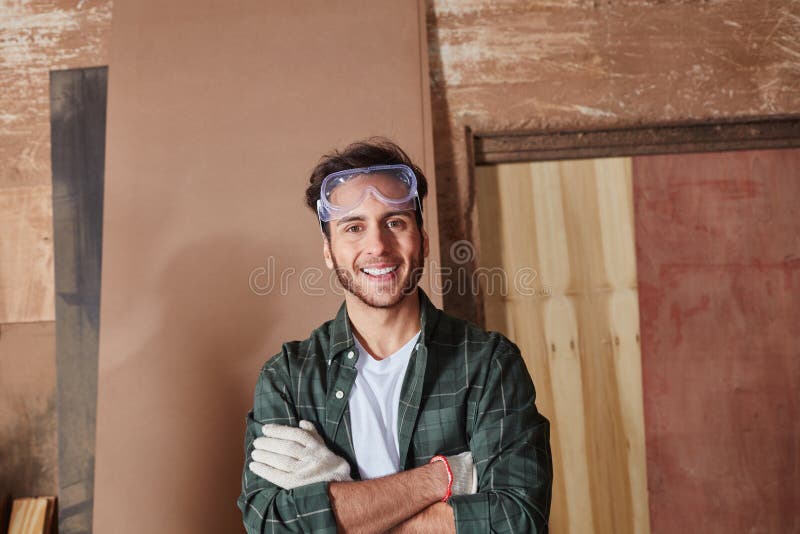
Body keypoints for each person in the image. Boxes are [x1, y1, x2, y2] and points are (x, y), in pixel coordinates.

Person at [237, 138, 552, 533]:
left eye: (395, 222)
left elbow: (516, 521)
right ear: (329, 251)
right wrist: (442, 478)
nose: (377, 246)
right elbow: (269, 524)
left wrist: (346, 507)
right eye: (354, 227)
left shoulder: (488, 364)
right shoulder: (289, 378)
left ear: (423, 239)